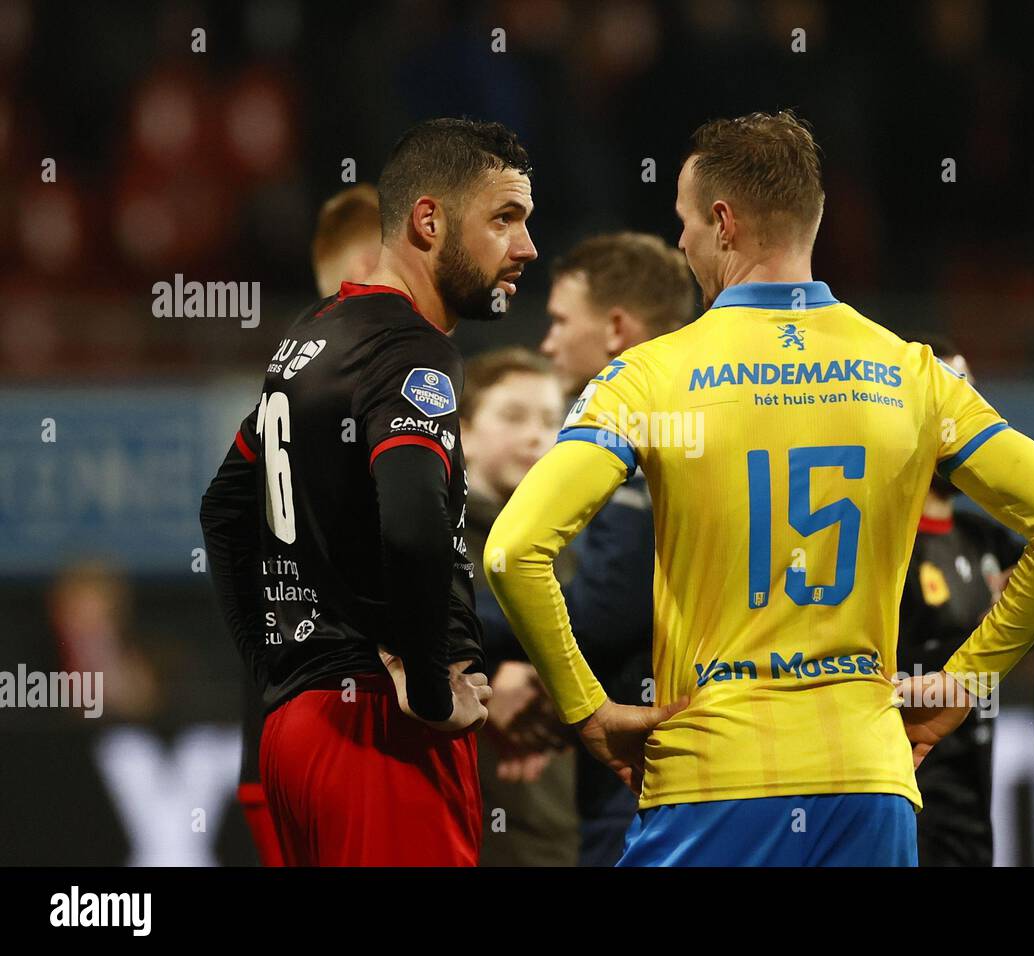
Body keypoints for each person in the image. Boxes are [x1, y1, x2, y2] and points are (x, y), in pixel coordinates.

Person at [486, 110, 1034, 866]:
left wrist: (587, 710)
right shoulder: (912, 373)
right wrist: (963, 682)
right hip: (869, 783)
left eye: (683, 221)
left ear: (722, 222)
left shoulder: (648, 379)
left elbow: (513, 553)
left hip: (713, 779)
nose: (679, 242)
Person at [200, 117, 537, 865]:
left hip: (298, 730)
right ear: (428, 220)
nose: (525, 248)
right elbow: (413, 521)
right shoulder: (409, 347)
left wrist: (277, 674)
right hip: (379, 734)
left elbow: (224, 510)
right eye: (505, 219)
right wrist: (427, 685)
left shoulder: (313, 334)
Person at [234, 183, 383, 868]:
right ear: (369, 257)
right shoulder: (368, 372)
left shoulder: (285, 376)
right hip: (349, 732)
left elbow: (221, 514)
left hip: (275, 736)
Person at [538, 232, 697, 865]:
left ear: (613, 328)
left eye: (558, 320)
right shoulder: (714, 401)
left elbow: (609, 603)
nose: (547, 341)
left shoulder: (637, 420)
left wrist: (492, 649)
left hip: (646, 750)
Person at [897, 334, 1021, 867]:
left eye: (974, 397)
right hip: (913, 787)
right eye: (953, 399)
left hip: (977, 789)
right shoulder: (883, 544)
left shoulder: (988, 541)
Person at [458, 346, 579, 866]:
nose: (536, 435)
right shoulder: (431, 532)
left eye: (551, 421)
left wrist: (533, 668)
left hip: (551, 817)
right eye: (513, 416)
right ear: (463, 430)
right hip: (454, 810)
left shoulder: (575, 539)